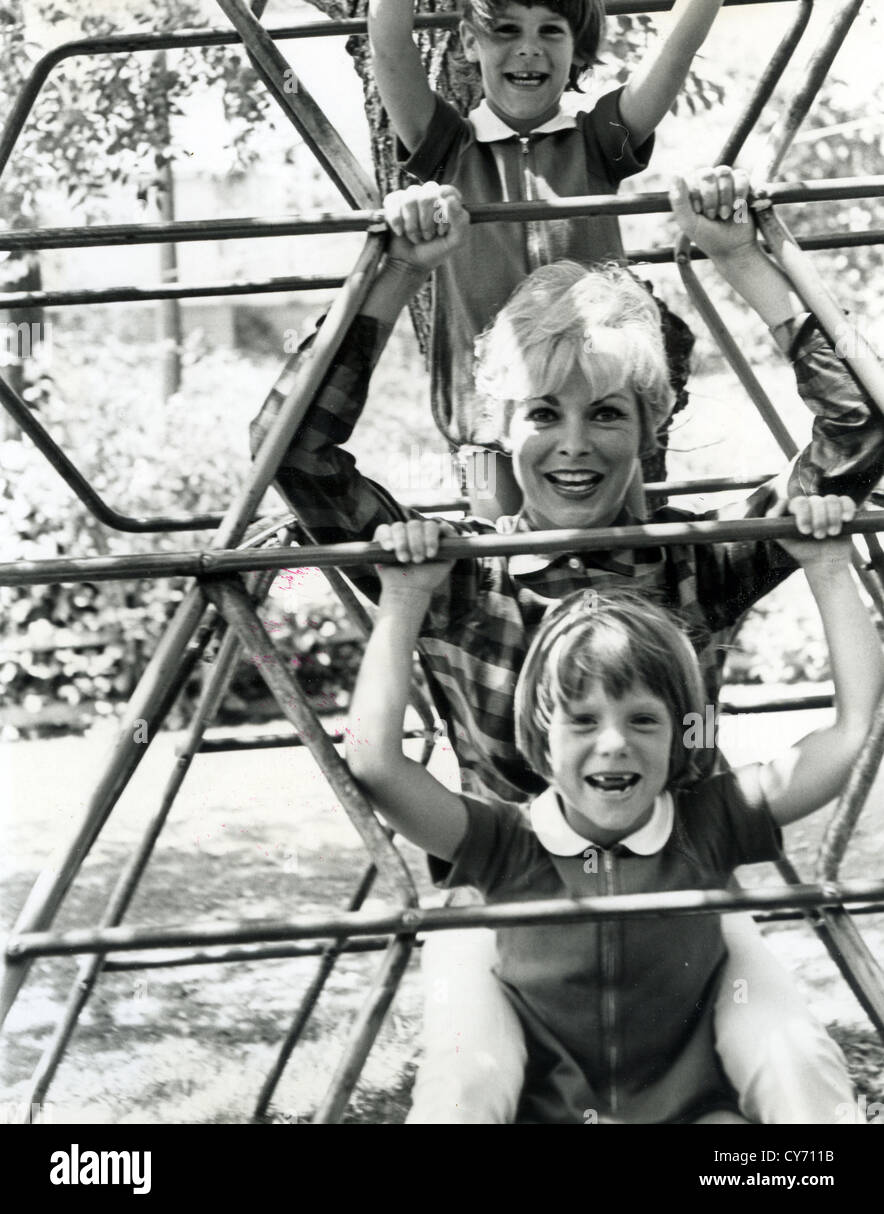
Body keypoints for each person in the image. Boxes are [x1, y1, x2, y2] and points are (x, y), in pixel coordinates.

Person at [249, 169, 884, 1121]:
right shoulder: (460, 578)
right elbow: (289, 450)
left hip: (678, 897)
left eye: (607, 413)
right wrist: (397, 274)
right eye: (544, 413)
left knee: (795, 1061)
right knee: (466, 1080)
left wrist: (742, 258)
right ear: (503, 427)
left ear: (651, 425)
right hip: (510, 909)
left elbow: (860, 426)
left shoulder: (693, 564)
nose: (574, 445)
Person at [344, 509, 883, 1123]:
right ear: (540, 739)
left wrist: (830, 568)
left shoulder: (706, 825)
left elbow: (850, 735)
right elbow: (375, 762)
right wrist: (406, 593)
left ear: (682, 739)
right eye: (582, 721)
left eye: (643, 720)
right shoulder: (505, 842)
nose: (613, 743)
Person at [368, 0, 752, 509]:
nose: (528, 51)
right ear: (468, 42)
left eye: (551, 31)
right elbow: (387, 44)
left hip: (602, 408)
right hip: (489, 426)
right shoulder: (448, 148)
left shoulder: (599, 140)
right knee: (503, 571)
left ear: (576, 50)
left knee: (628, 560)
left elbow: (678, 45)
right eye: (505, 30)